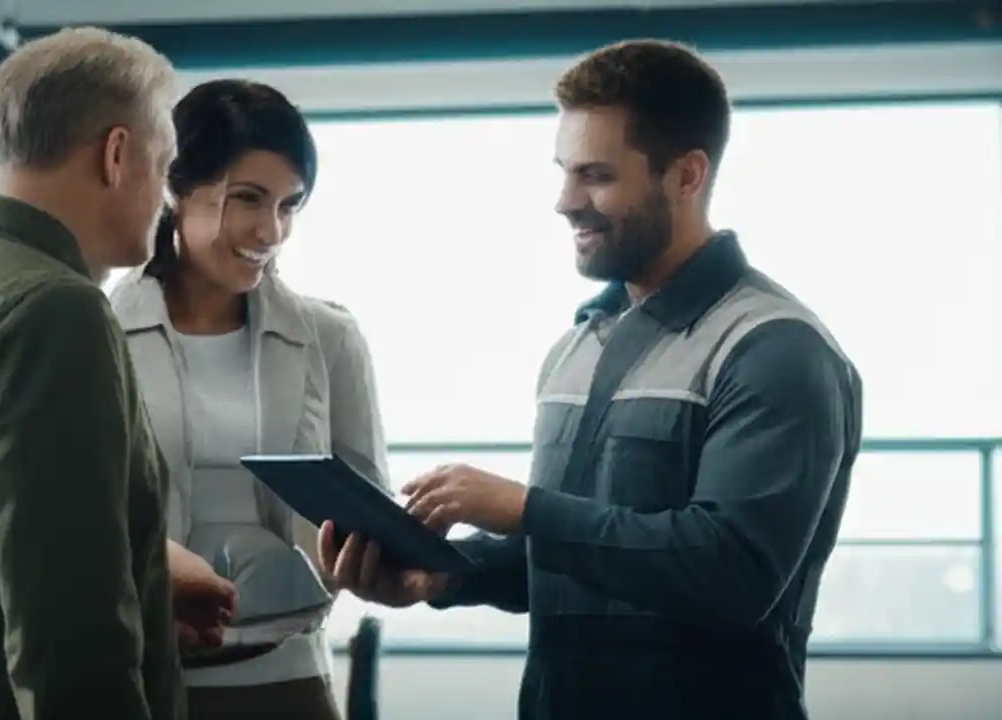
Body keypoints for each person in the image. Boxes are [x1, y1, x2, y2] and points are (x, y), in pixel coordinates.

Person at [321, 39, 863, 720]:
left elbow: (731, 573)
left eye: (597, 175)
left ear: (687, 176)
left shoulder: (776, 350)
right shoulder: (576, 348)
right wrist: (445, 575)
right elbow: (573, 555)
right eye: (564, 171)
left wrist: (523, 507)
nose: (565, 202)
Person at [0, 28, 236, 720]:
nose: (169, 199)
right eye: (165, 163)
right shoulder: (54, 311)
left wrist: (144, 597)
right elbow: (68, 642)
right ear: (118, 155)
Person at [109, 79, 389, 719]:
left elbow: (365, 515)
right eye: (248, 200)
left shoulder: (330, 337)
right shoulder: (98, 332)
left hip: (287, 680)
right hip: (144, 684)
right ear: (177, 190)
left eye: (290, 205)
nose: (271, 230)